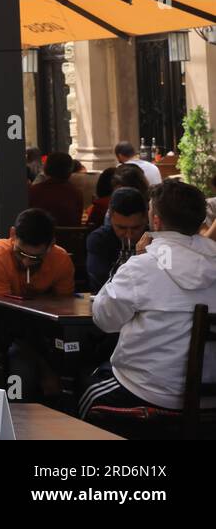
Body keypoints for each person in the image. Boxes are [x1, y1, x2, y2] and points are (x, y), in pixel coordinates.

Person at [80, 179, 216, 418]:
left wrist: (132, 260)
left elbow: (104, 319)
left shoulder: (142, 266)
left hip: (147, 393)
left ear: (156, 220)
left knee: (85, 395)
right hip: (209, 400)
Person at [0, 208, 75, 401]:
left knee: (69, 357)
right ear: (13, 234)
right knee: (18, 360)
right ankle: (17, 416)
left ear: (51, 245)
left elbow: (65, 309)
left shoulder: (61, 260)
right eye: (20, 253)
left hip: (36, 327)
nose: (25, 262)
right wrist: (44, 365)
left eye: (35, 259)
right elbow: (6, 318)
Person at [86, 187, 148, 293]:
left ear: (146, 218)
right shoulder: (99, 240)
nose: (129, 235)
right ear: (110, 218)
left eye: (136, 228)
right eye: (121, 228)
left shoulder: (156, 239)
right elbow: (101, 281)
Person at [27, 152, 83, 227]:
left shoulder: (34, 191)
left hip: (38, 237)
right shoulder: (76, 193)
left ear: (46, 168)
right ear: (70, 170)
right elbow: (77, 222)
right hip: (68, 237)